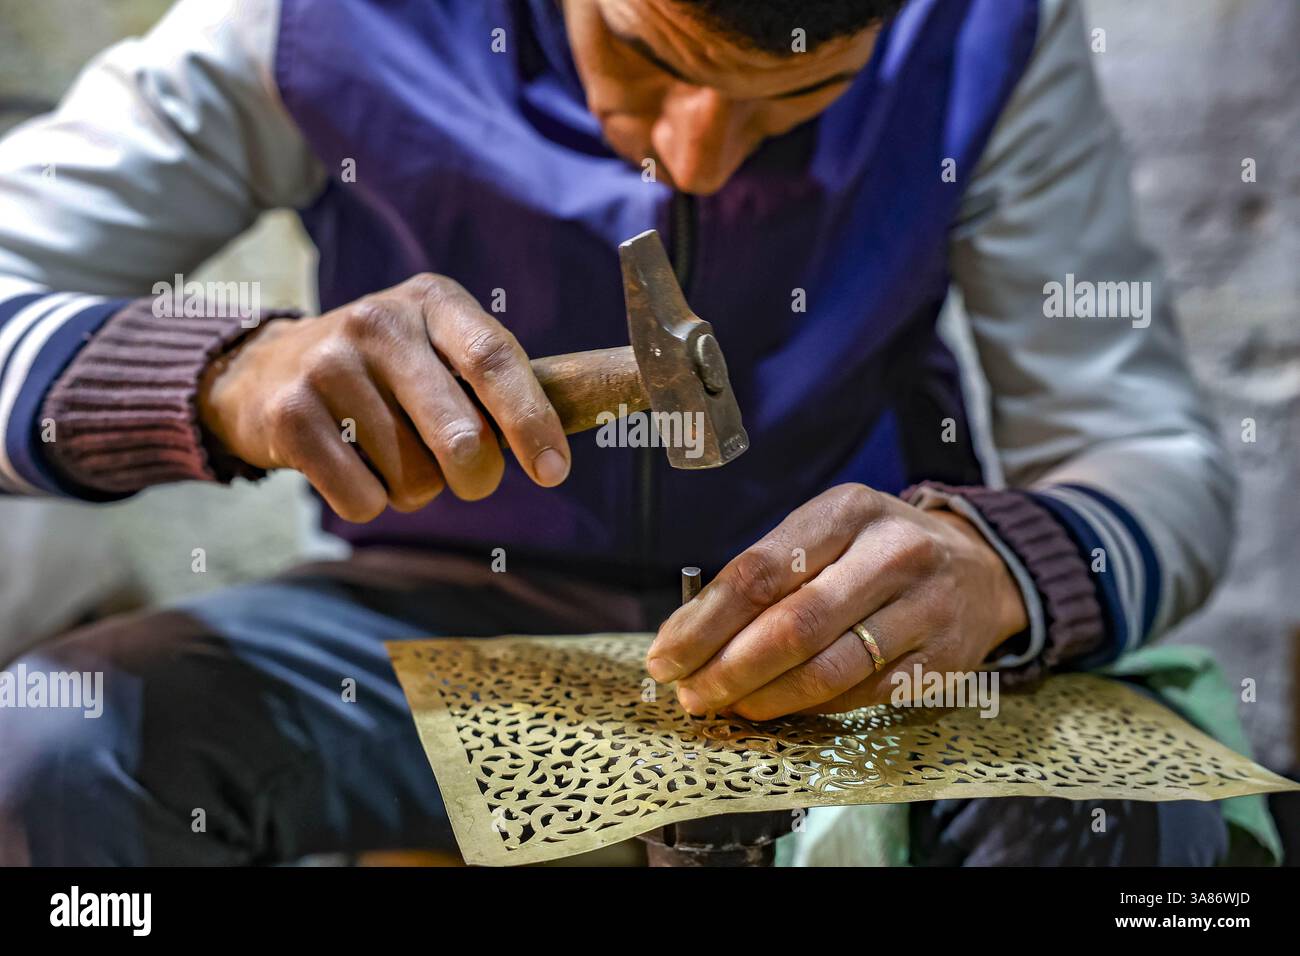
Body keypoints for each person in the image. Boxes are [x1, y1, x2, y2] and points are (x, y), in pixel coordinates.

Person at [0, 0, 1265, 865]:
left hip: (851, 650)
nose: (696, 157)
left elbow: (1145, 448)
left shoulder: (982, 30)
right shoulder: (313, 20)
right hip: (428, 625)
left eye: (801, 97)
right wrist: (223, 373)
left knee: (1131, 827)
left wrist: (1000, 567)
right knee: (54, 741)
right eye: (644, 54)